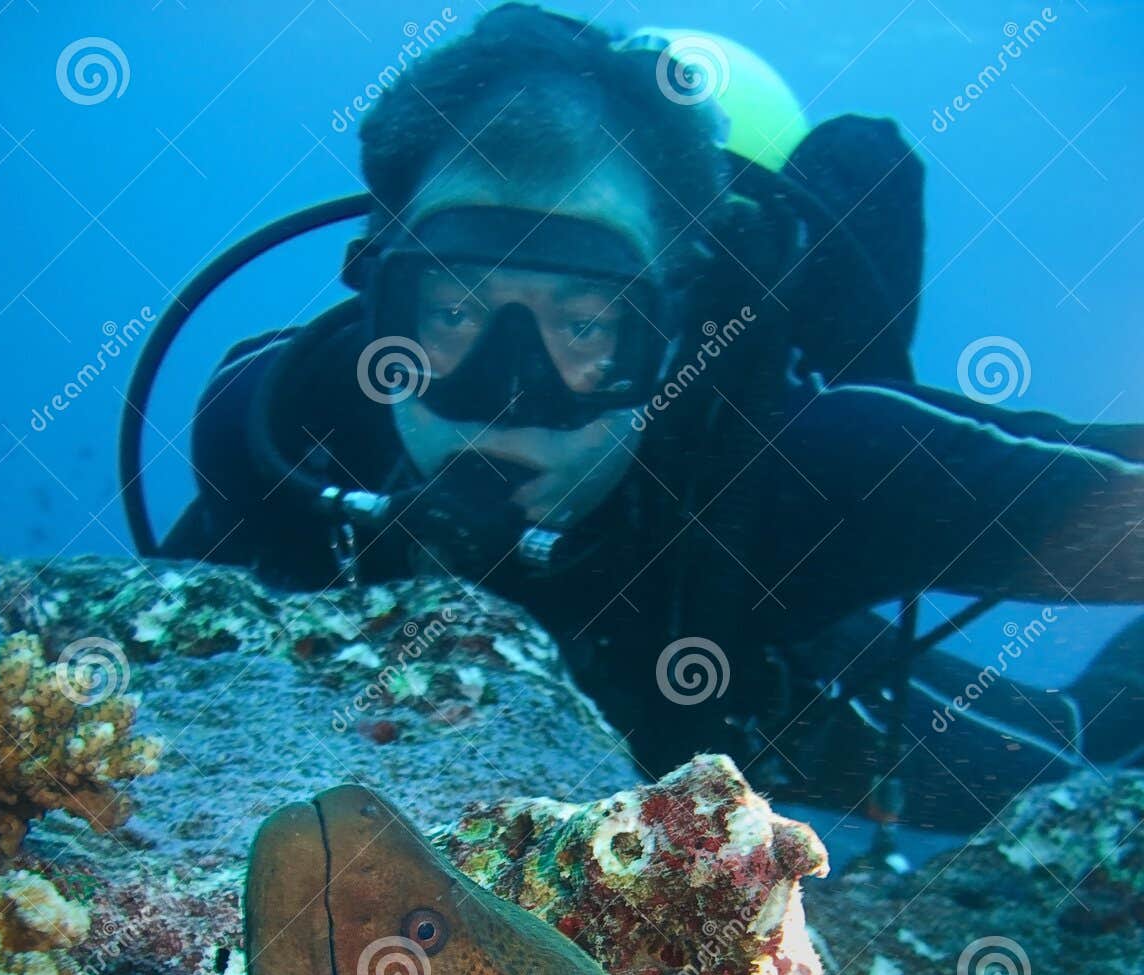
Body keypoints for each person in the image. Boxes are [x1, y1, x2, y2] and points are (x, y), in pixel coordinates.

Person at [159, 4, 1144, 837]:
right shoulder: (288, 434)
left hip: (778, 718)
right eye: (454, 313)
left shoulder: (805, 470)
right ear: (378, 297)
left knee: (1083, 777)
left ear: (673, 328)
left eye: (585, 326)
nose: (510, 393)